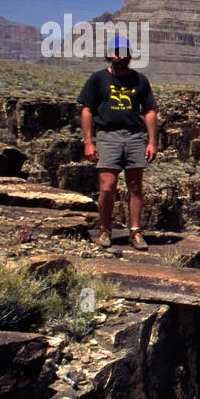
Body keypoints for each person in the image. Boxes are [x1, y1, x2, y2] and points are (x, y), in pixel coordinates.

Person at [77, 35, 158, 250]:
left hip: (134, 136)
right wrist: (88, 141)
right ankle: (104, 229)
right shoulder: (97, 79)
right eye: (116, 52)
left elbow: (149, 111)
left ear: (130, 55)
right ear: (110, 55)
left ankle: (135, 232)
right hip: (107, 135)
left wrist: (152, 141)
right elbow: (87, 110)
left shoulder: (140, 80)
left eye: (124, 53)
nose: (120, 57)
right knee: (107, 186)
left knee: (135, 186)